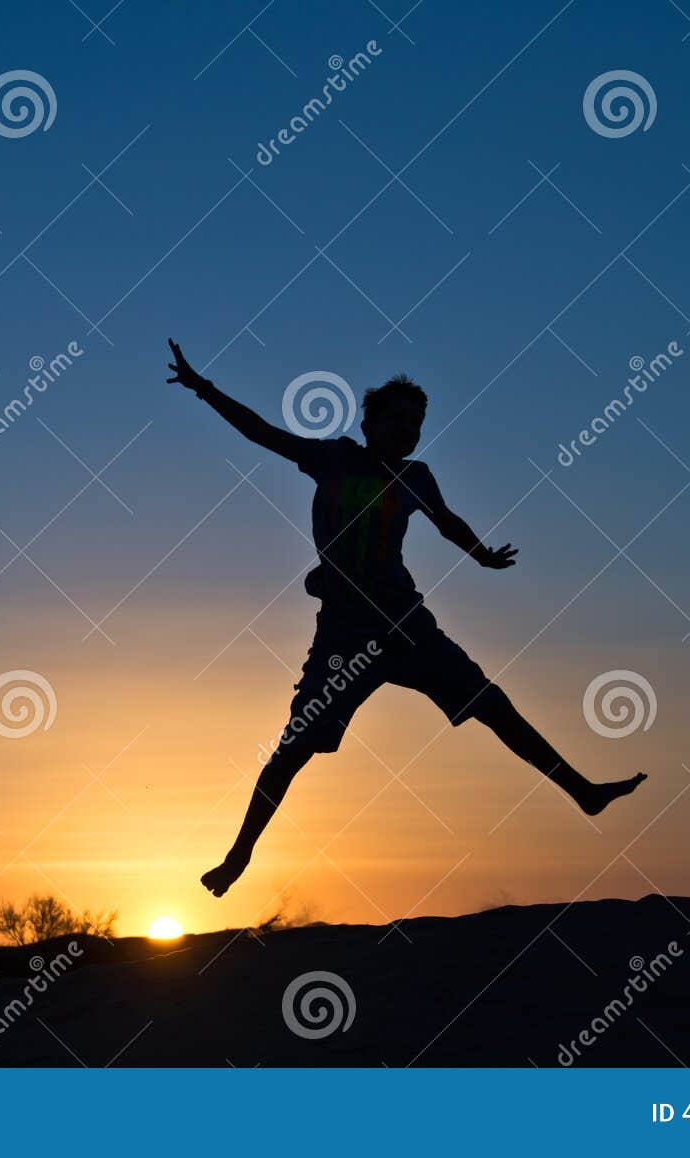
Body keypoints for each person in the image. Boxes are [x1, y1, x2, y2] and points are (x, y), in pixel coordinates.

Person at [163, 339, 648, 897]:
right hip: (345, 635)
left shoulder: (416, 477)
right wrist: (204, 389)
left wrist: (482, 554)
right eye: (398, 420)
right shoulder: (334, 458)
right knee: (294, 747)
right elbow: (262, 433)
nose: (408, 431)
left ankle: (582, 791)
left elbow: (448, 521)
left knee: (490, 704)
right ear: (369, 423)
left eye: (416, 423)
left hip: (406, 625)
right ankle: (237, 857)